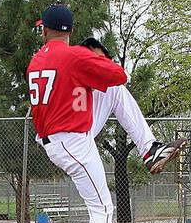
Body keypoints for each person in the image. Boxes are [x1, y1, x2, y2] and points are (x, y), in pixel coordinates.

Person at [28, 5, 139, 223]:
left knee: (113, 93)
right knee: (103, 208)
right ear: (70, 31)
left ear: (45, 29)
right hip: (72, 141)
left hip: (57, 138)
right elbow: (119, 74)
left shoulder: (36, 60)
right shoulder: (73, 54)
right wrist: (94, 60)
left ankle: (149, 148)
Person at [78, 37, 184, 174]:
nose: (100, 64)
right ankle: (149, 150)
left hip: (82, 137)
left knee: (115, 88)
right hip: (64, 138)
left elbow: (120, 76)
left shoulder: (95, 86)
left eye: (102, 60)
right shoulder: (69, 72)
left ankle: (150, 150)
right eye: (96, 59)